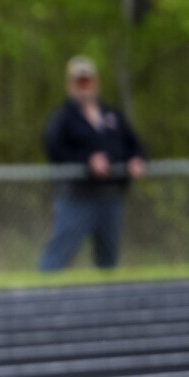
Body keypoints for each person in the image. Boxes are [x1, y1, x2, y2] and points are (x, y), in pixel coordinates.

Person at [37, 56, 148, 271]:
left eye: (88, 81)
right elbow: (54, 150)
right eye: (79, 82)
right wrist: (87, 161)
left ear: (96, 82)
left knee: (108, 258)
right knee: (59, 253)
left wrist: (136, 159)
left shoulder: (111, 114)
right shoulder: (64, 118)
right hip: (77, 196)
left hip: (110, 195)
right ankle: (43, 297)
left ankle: (107, 301)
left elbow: (134, 143)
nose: (84, 86)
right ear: (70, 85)